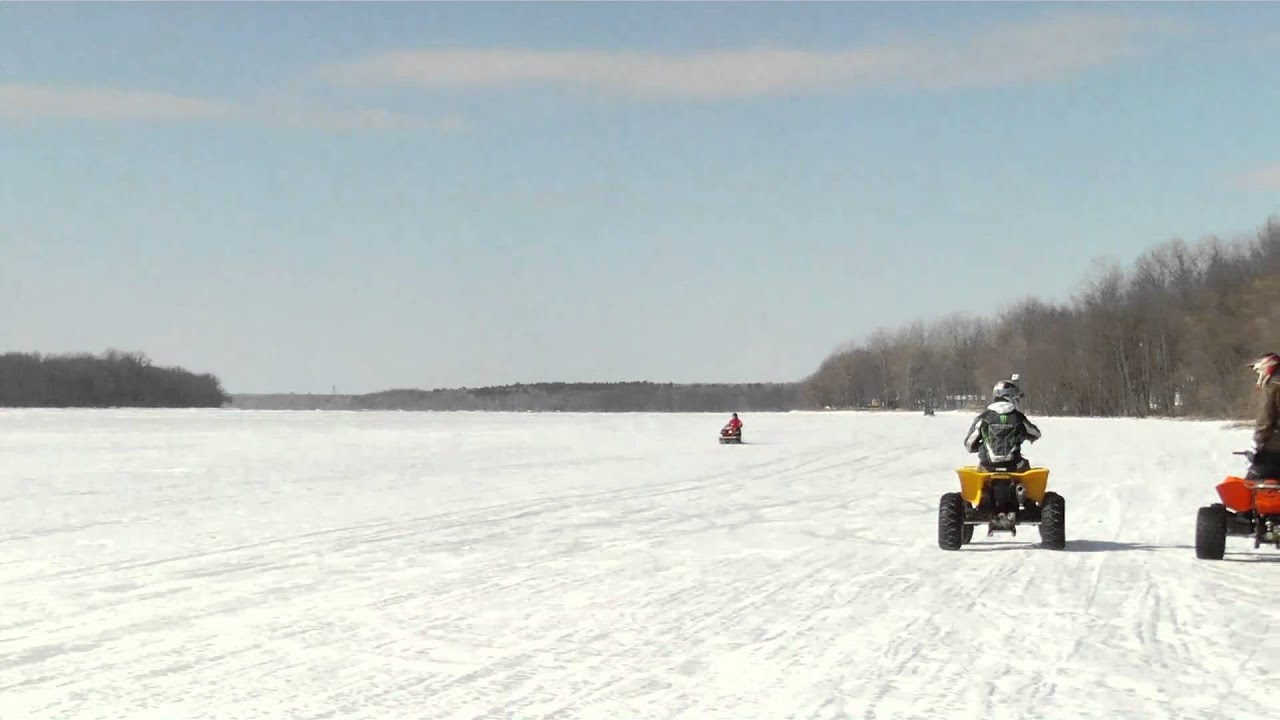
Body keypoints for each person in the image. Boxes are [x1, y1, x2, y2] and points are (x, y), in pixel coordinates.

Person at [964, 379, 1041, 471]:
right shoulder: (1018, 417)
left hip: (987, 465)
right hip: (1014, 464)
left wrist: (977, 447)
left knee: (977, 476)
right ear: (1011, 395)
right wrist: (1023, 436)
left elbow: (969, 443)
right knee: (1027, 471)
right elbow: (1036, 433)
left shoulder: (983, 417)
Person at [1248, 353, 1280, 480]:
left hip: (1275, 448)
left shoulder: (1274, 384)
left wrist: (1256, 443)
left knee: (1251, 482)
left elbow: (1266, 417)